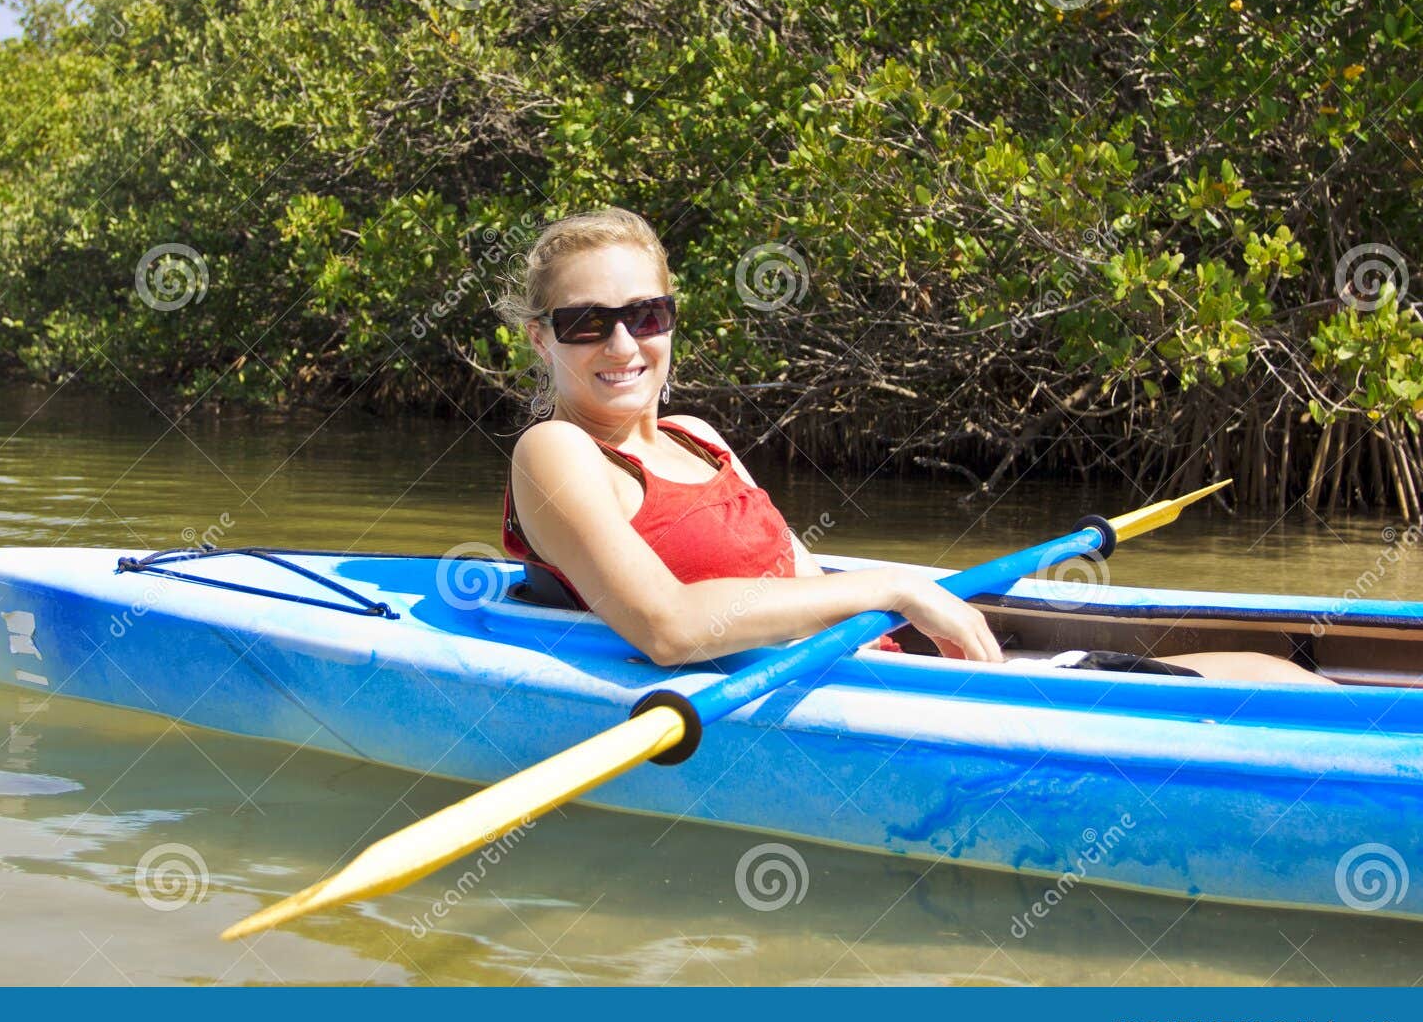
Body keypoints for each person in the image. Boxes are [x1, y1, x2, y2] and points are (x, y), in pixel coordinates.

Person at [498, 207, 1330, 685]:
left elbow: (799, 584)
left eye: (646, 316)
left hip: (887, 668)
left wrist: (891, 604)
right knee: (1274, 686)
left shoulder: (700, 436)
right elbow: (668, 629)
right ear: (541, 340)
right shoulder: (557, 452)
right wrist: (895, 585)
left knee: (1275, 671)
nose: (622, 346)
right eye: (585, 324)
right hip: (859, 692)